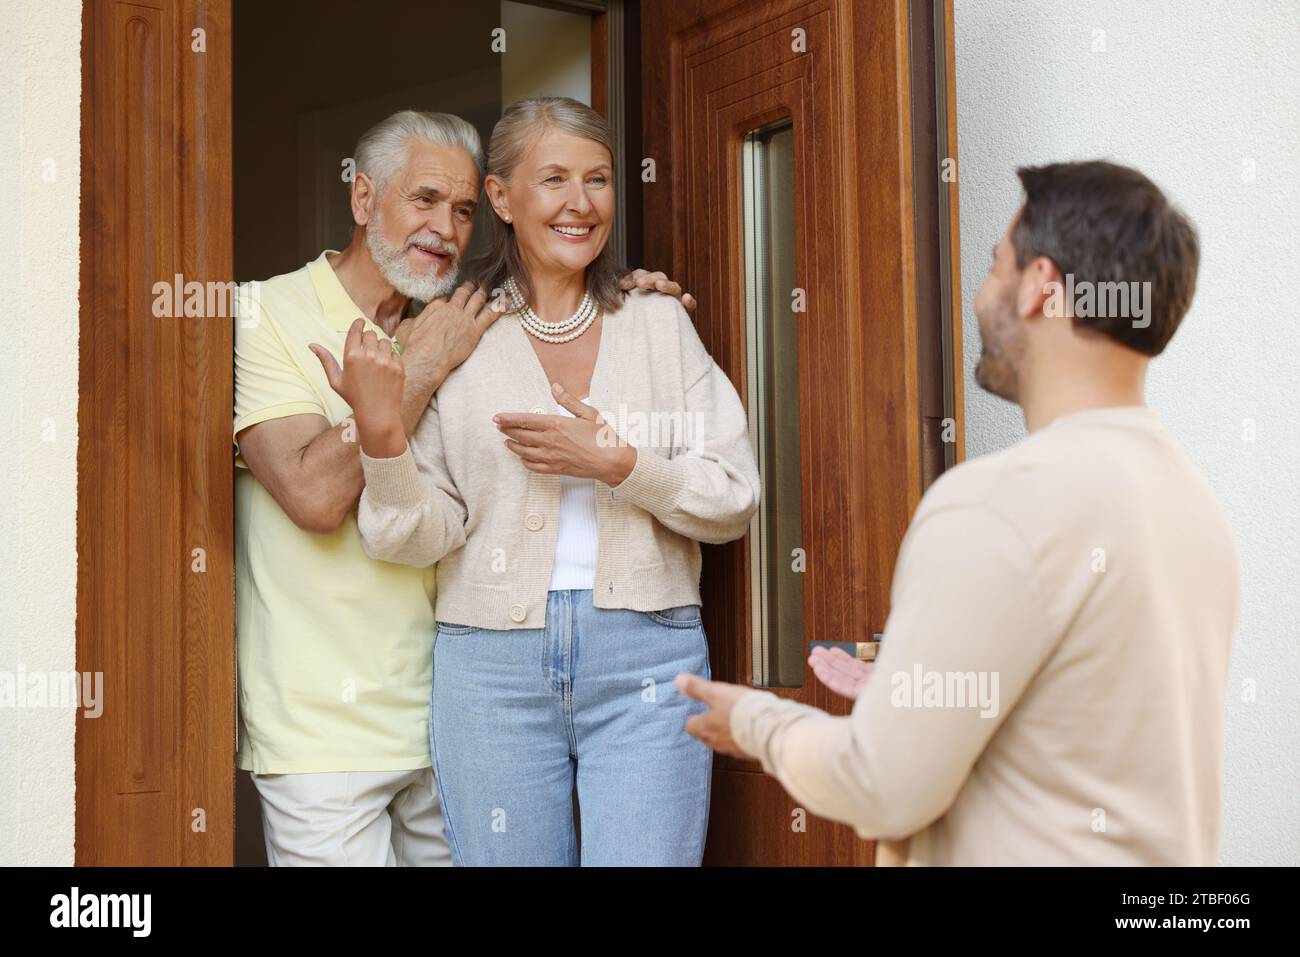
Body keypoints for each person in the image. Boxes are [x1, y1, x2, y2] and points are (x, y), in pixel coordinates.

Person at [681, 160, 1239, 866]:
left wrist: (758, 721)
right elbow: (1087, 731)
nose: (980, 295)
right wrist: (927, 685)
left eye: (994, 265)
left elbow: (882, 786)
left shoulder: (997, 503)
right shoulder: (1194, 505)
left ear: (1041, 286)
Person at [235, 108, 693, 866]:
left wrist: (634, 303)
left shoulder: (464, 317)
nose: (444, 228)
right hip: (322, 728)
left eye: (461, 209)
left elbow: (574, 327)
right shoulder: (268, 312)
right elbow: (313, 496)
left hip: (458, 711)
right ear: (361, 198)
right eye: (423, 200)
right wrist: (422, 365)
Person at [325, 97, 760, 866]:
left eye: (598, 179)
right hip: (490, 669)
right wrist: (383, 440)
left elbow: (732, 496)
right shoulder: (458, 332)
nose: (580, 203)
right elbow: (409, 536)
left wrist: (620, 465)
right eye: (553, 178)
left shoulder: (658, 324)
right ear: (501, 197)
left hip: (648, 663)